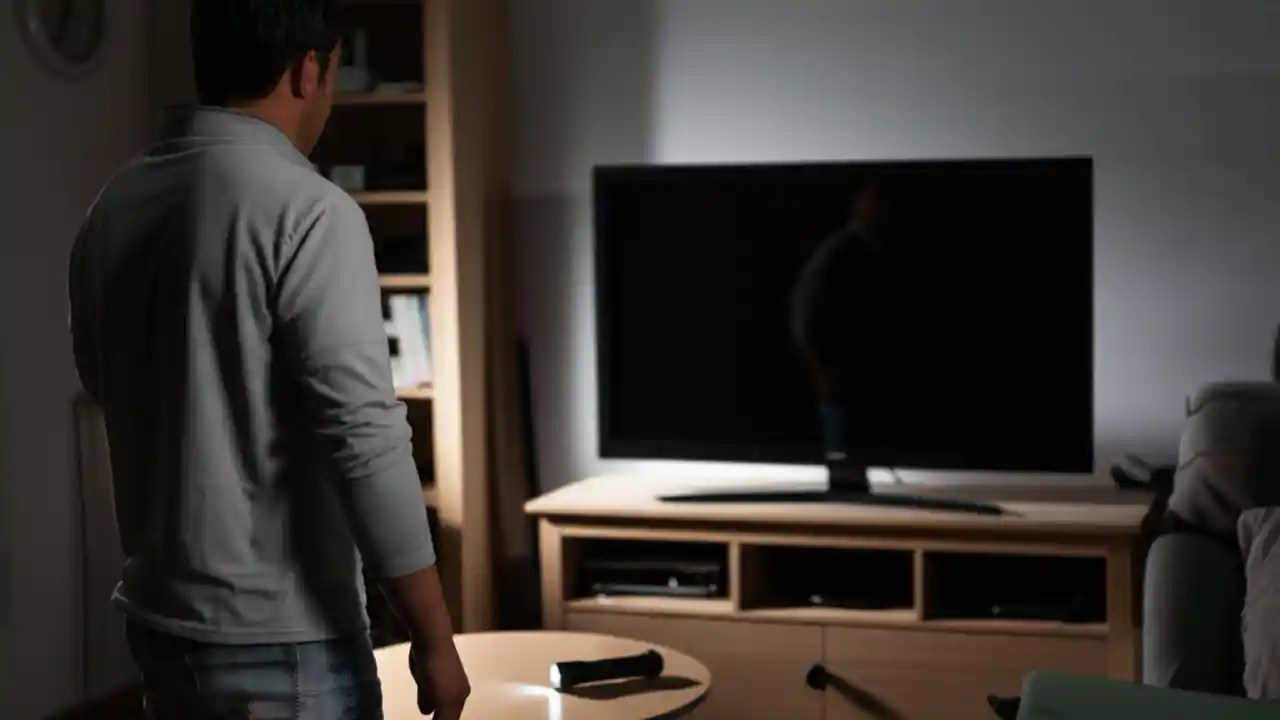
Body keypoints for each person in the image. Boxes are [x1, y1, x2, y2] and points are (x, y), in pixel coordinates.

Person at [67, 2, 469, 718]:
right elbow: (366, 439)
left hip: (163, 625)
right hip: (284, 644)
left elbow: (106, 383)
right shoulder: (309, 209)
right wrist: (434, 636)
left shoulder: (114, 205)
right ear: (308, 68)